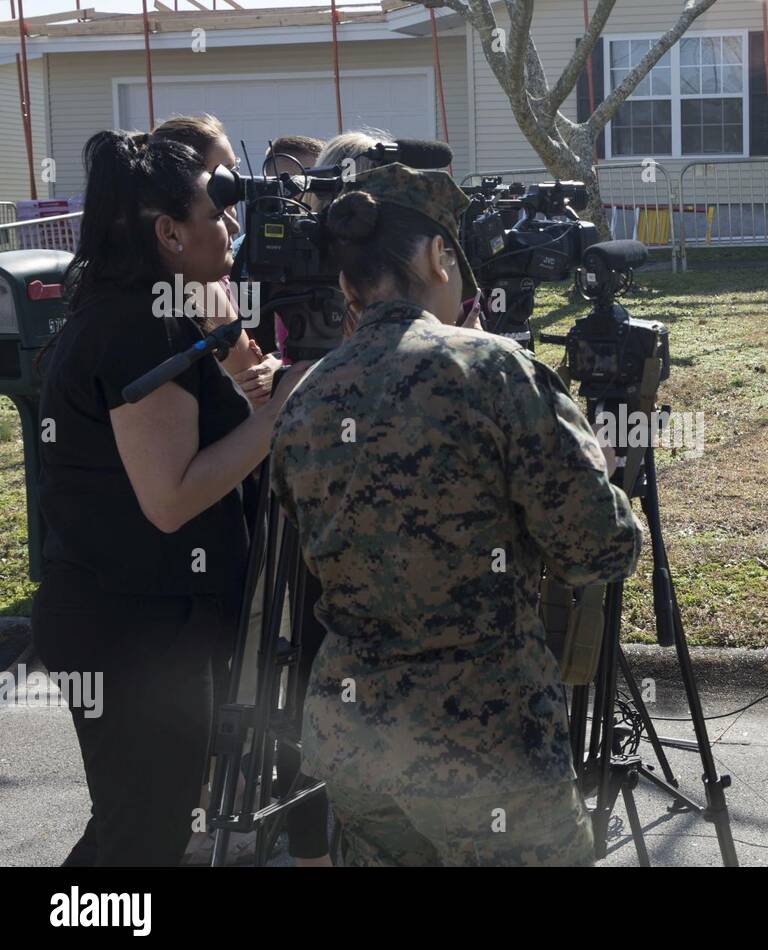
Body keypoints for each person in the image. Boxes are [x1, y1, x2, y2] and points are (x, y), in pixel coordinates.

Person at [269, 163, 641, 865]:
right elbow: (598, 550)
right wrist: (607, 483)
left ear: (349, 283)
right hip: (485, 738)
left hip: (352, 740)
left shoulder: (307, 395)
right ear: (439, 256)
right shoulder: (491, 367)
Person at [32, 130, 311, 865]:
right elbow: (172, 498)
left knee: (141, 824)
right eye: (215, 214)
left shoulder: (153, 307)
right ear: (167, 233)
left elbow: (232, 402)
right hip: (128, 632)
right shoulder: (138, 327)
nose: (232, 228)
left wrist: (238, 355)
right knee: (141, 832)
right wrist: (282, 416)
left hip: (139, 619)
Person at [149, 114, 282, 408]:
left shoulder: (197, 259)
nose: (237, 185)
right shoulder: (194, 270)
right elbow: (252, 385)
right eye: (225, 173)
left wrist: (276, 364)